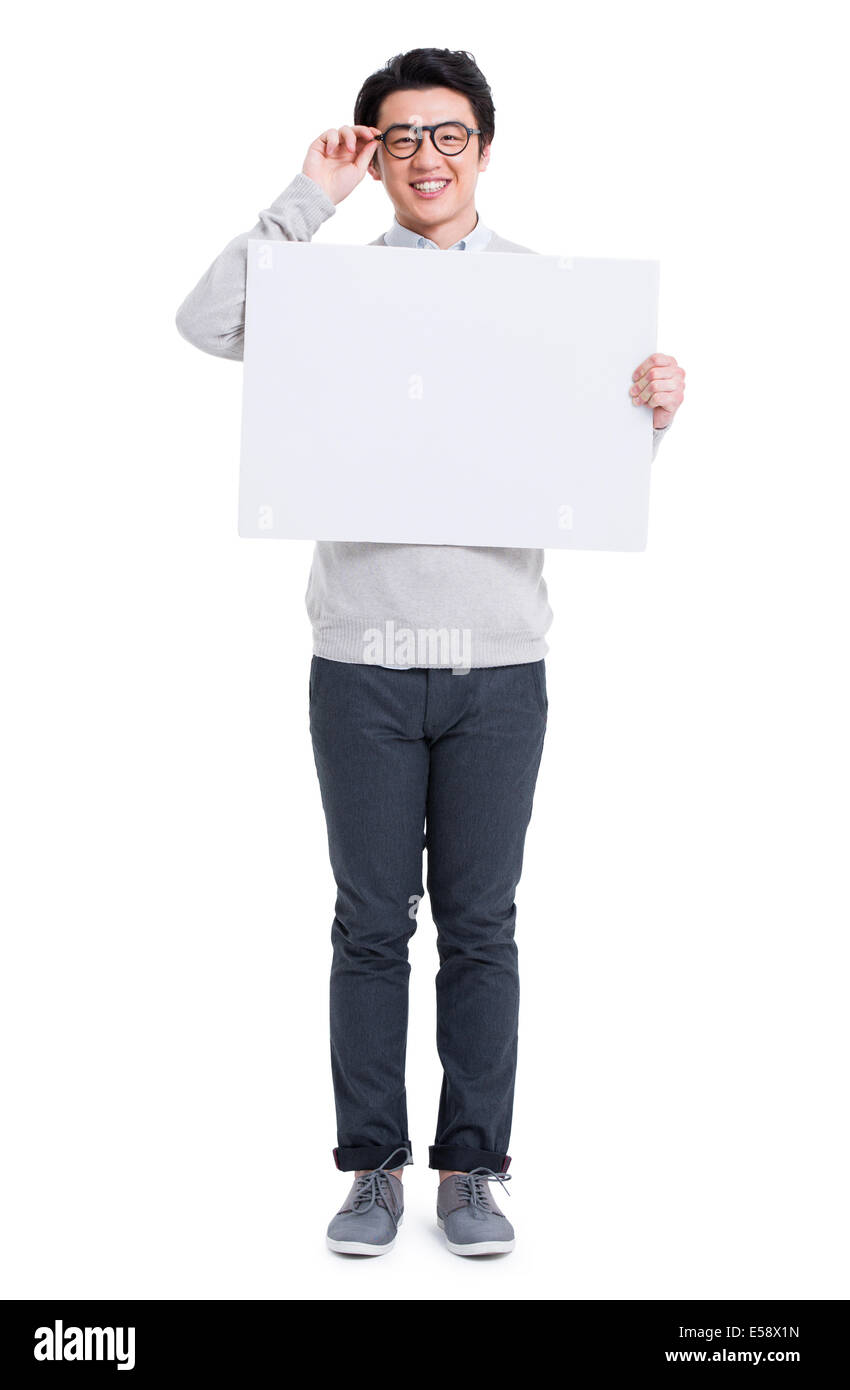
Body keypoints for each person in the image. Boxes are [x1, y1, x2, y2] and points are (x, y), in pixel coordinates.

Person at [175, 47, 686, 1259]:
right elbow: (202, 322)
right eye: (398, 138)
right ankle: (368, 1169)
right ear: (376, 152)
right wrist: (308, 196)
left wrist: (647, 419)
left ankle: (469, 1167)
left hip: (497, 664)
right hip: (359, 654)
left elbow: (575, 480)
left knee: (480, 923)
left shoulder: (545, 294)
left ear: (483, 149)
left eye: (445, 135)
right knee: (367, 922)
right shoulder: (320, 288)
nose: (424, 159)